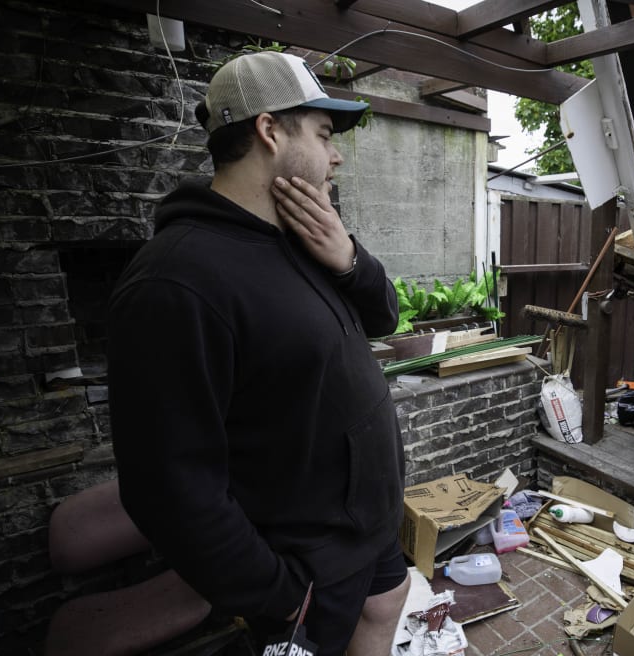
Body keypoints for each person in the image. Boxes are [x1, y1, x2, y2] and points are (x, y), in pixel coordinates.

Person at [106, 51, 409, 655]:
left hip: (365, 527)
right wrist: (278, 595)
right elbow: (168, 487)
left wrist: (347, 256)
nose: (336, 154)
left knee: (386, 607)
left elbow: (384, 316)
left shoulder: (303, 230)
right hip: (307, 562)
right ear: (270, 130)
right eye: (324, 134)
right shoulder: (176, 282)